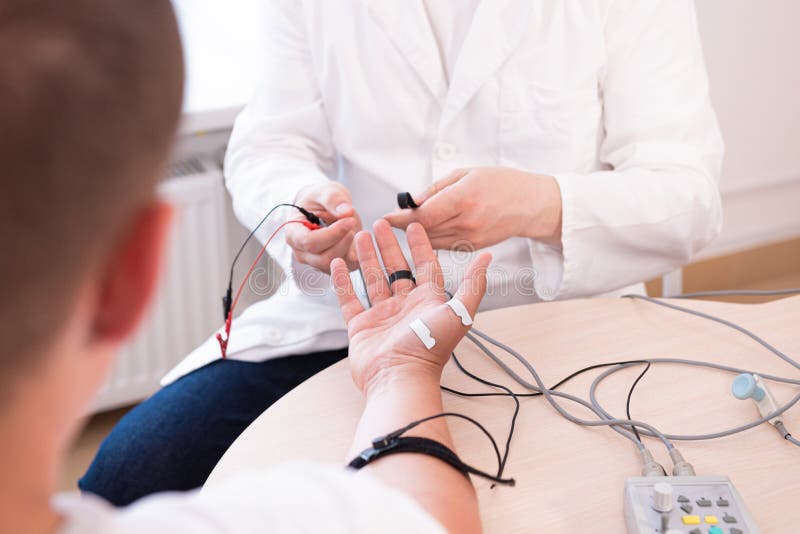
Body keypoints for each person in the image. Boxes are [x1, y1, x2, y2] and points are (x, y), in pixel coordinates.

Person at [83, 0, 725, 504]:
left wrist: (537, 203)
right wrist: (300, 205)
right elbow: (267, 146)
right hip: (351, 326)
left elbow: (689, 196)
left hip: (550, 327)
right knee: (130, 475)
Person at [0, 0, 494, 532]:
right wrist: (300, 205)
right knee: (137, 465)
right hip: (351, 321)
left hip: (548, 306)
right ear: (138, 269)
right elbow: (424, 518)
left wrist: (552, 203)